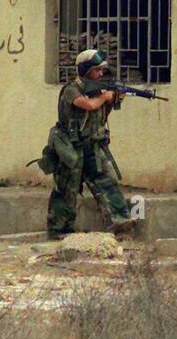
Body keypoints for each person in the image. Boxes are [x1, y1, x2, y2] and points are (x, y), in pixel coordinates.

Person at [44, 49, 135, 238]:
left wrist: (115, 98)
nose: (101, 74)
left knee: (108, 182)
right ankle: (59, 229)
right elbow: (89, 105)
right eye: (97, 70)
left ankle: (119, 223)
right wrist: (105, 97)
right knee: (67, 188)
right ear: (86, 71)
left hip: (93, 145)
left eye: (102, 70)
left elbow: (101, 114)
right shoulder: (71, 89)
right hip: (71, 147)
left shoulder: (96, 90)